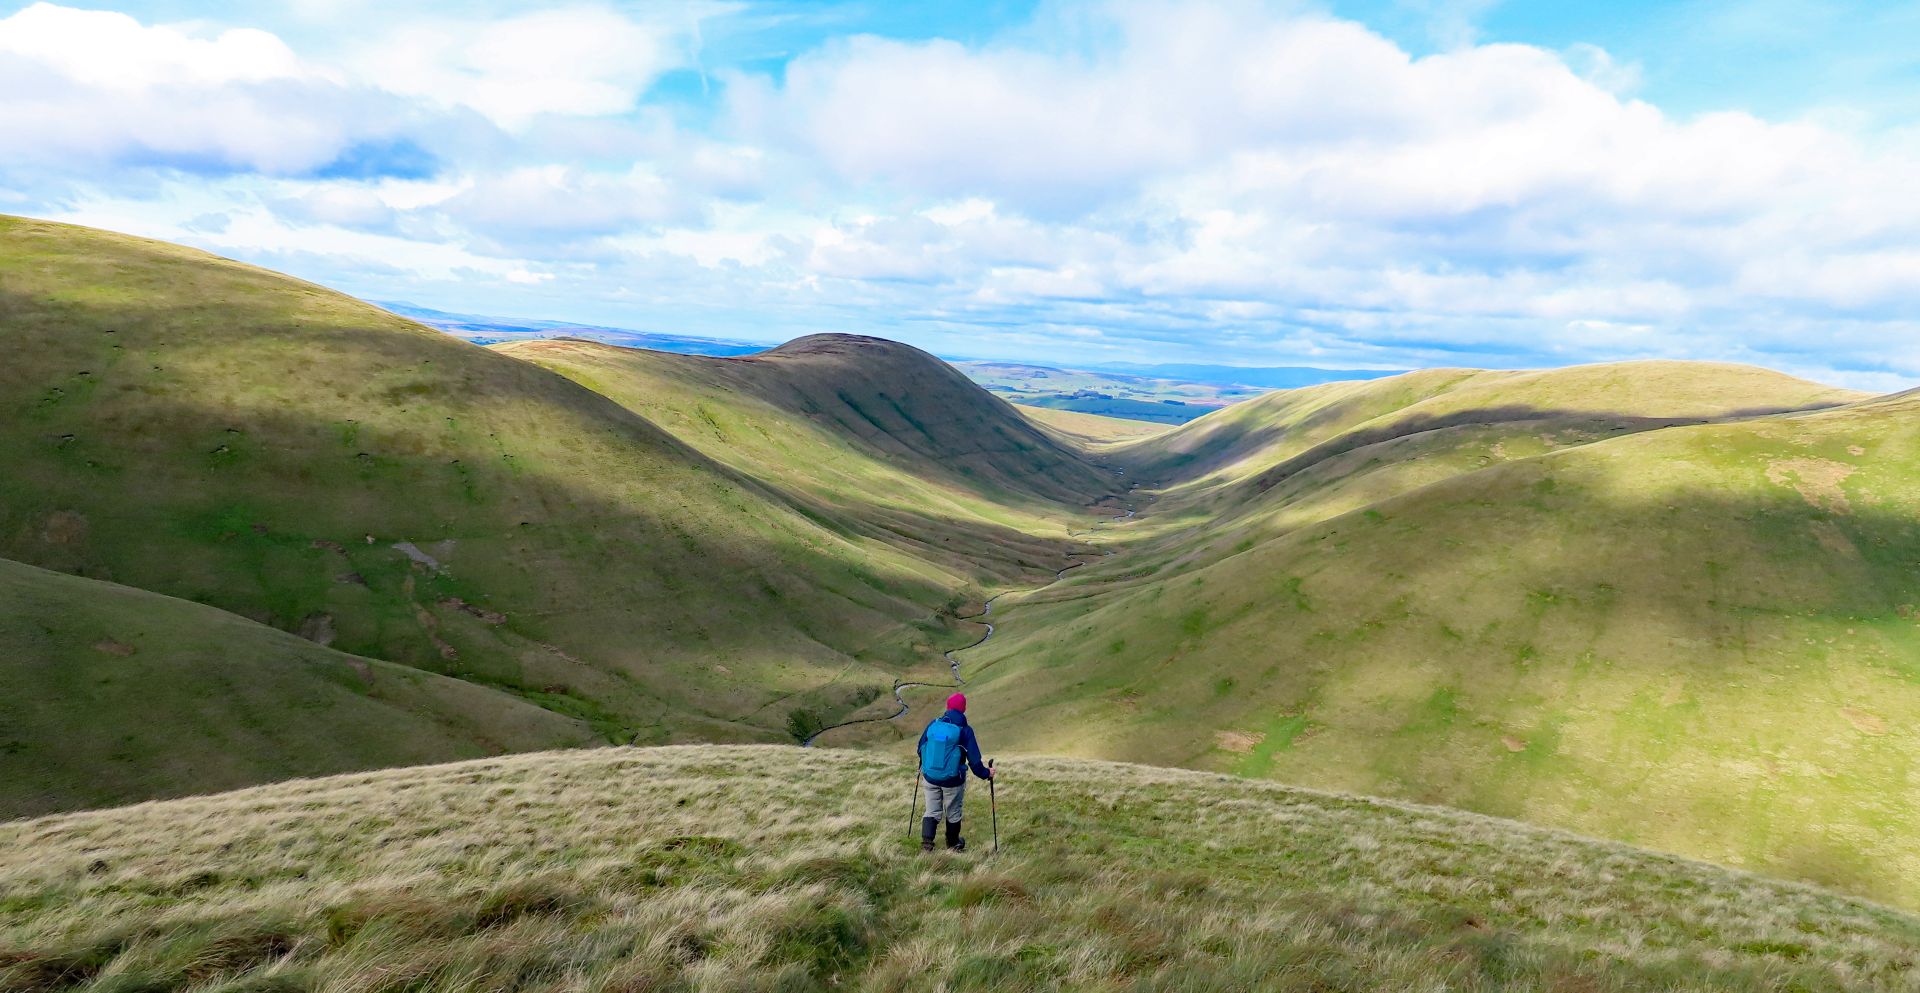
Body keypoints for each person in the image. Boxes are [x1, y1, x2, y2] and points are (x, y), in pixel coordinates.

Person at [917, 692, 992, 852]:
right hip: (953, 780)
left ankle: (927, 845)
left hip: (930, 777)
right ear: (963, 709)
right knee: (953, 812)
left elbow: (920, 748)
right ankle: (953, 844)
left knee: (932, 810)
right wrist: (987, 774)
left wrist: (925, 766)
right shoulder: (965, 730)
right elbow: (974, 761)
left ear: (948, 707)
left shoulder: (933, 724)